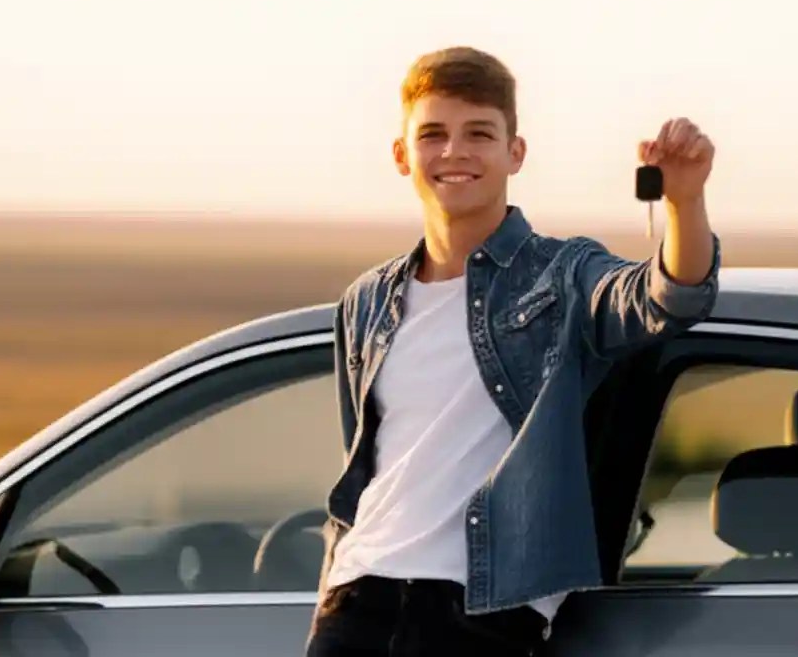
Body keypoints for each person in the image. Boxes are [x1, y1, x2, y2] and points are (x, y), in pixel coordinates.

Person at [305, 46, 721, 656]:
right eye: (433, 135)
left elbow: (667, 298)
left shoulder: (561, 275)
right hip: (355, 600)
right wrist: (334, 583)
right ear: (402, 155)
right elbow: (363, 462)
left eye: (479, 133)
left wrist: (684, 201)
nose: (454, 152)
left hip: (480, 610)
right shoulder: (366, 301)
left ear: (514, 152)